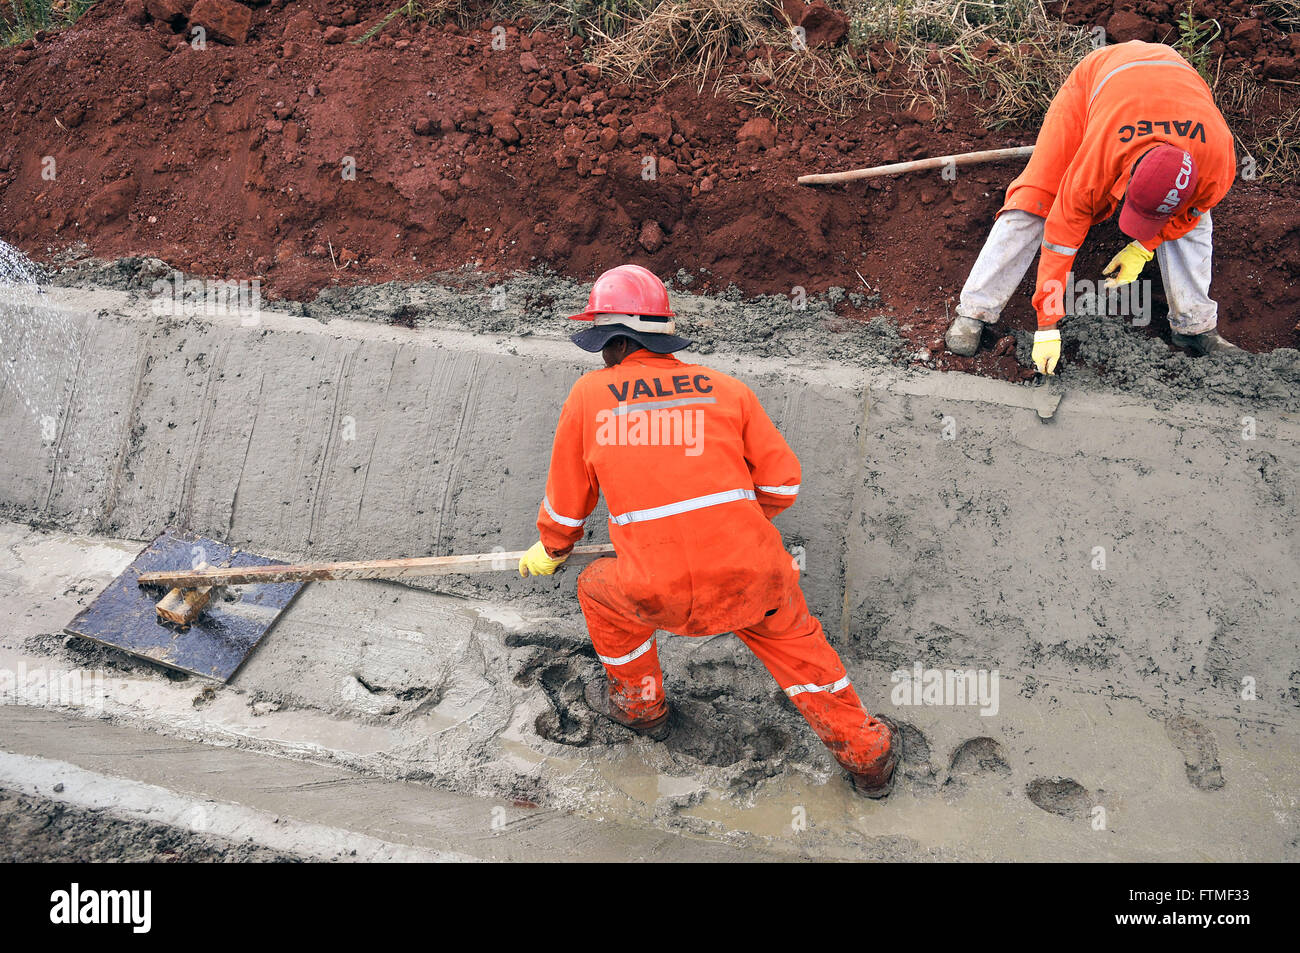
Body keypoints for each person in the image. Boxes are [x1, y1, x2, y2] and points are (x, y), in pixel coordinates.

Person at [519, 263, 901, 797]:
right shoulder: (726, 389)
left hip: (659, 591)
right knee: (802, 654)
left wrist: (551, 549)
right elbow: (783, 484)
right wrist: (731, 527)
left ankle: (642, 709)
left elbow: (566, 508)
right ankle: (868, 757)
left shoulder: (591, 397)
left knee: (597, 591)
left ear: (613, 342)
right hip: (754, 575)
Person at [944, 40, 1239, 372]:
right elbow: (1060, 240)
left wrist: (1144, 248)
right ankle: (974, 311)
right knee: (1035, 198)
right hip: (1097, 81)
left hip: (1173, 77)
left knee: (1196, 224)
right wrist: (1047, 326)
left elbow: (1192, 213)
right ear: (1123, 180)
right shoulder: (1095, 165)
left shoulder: (1218, 162)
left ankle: (1194, 325)